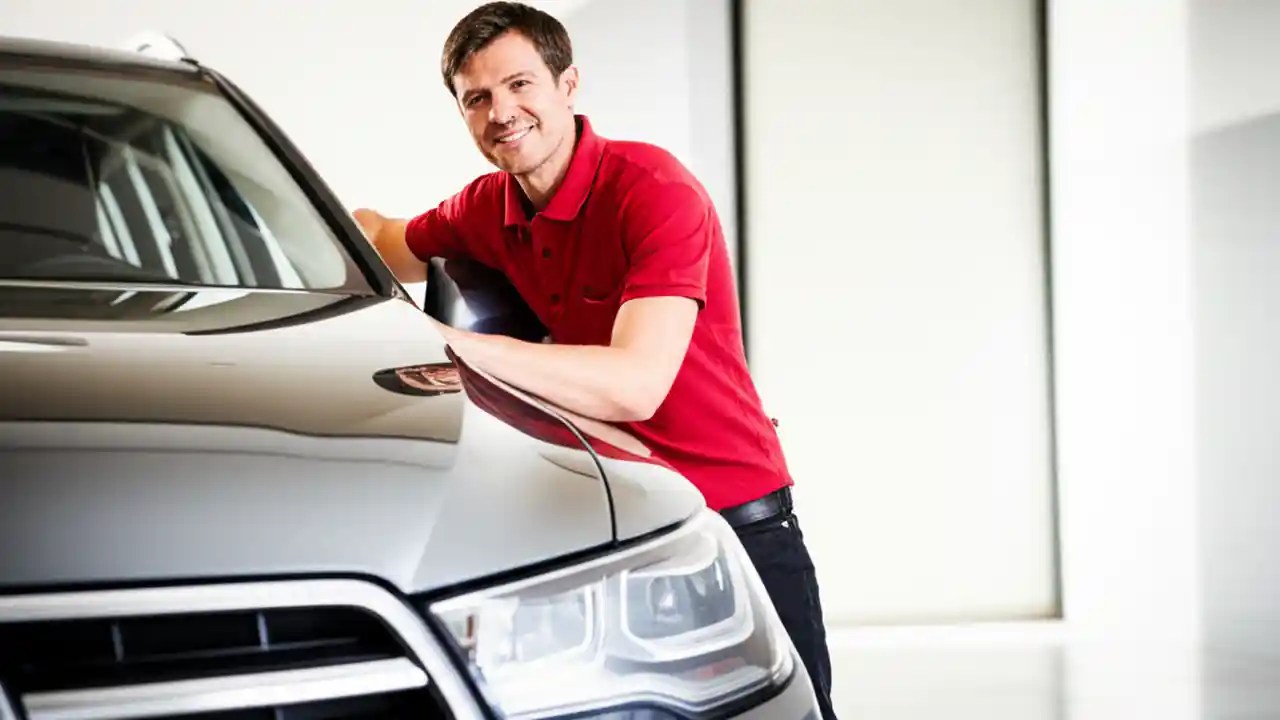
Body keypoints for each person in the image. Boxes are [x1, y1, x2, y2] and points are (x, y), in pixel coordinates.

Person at [353, 3, 837, 716]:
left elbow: (635, 386)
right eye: (477, 98)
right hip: (610, 528)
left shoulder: (652, 188)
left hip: (731, 518)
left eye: (520, 84)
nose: (502, 112)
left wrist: (454, 347)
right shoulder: (491, 206)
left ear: (568, 85)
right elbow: (381, 236)